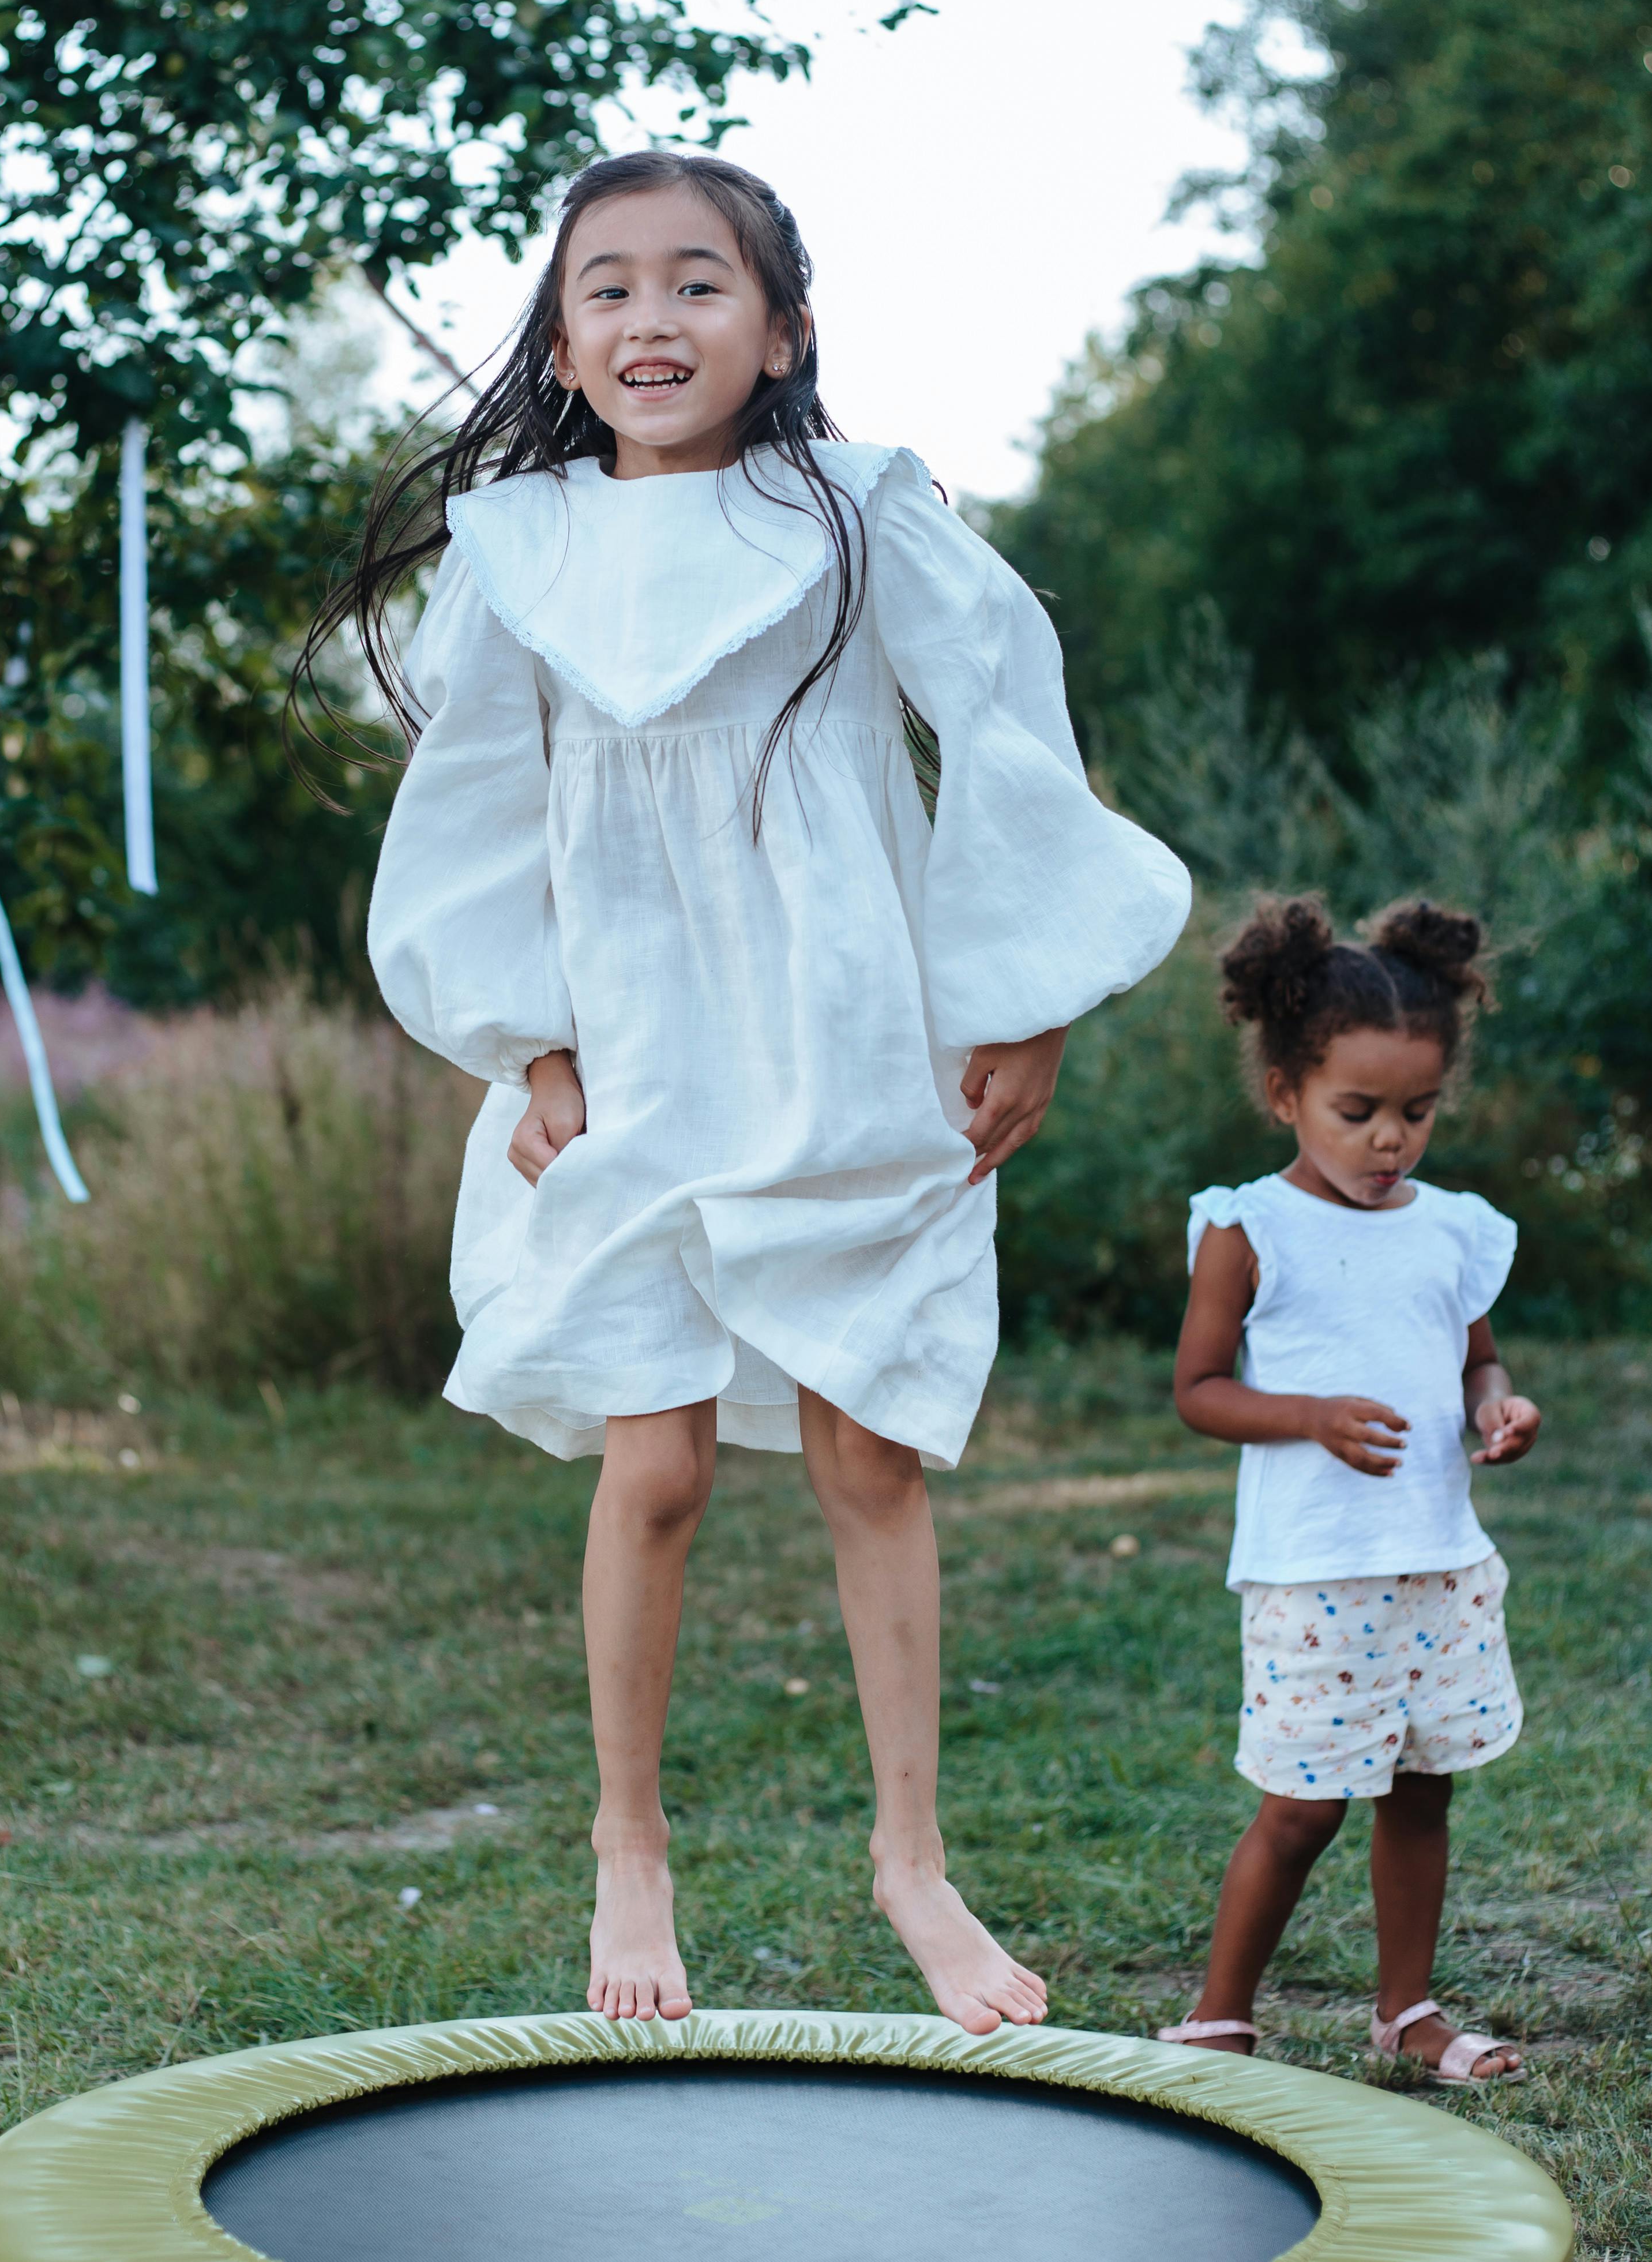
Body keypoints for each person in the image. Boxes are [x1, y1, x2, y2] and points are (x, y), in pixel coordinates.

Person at [301, 151, 1189, 2033]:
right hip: (627, 1054)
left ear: (781, 330)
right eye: (607, 288)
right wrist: (521, 1044)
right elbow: (466, 810)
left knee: (870, 1452)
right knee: (660, 1461)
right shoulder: (520, 550)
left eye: (698, 284)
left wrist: (1021, 1000)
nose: (651, 319)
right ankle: (630, 1843)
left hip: (847, 1041)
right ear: (559, 336)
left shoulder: (860, 519)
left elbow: (1013, 734)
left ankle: (912, 1864)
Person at [1164, 894, 1540, 2084]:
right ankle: (1220, 2014)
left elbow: (1476, 1352)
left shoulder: (1455, 1230)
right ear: (1285, 1092)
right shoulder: (1248, 1228)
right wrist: (1308, 1416)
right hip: (1314, 1571)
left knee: (1421, 1791)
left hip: (1435, 1559)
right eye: (1359, 1110)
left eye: (1418, 1111)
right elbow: (1200, 1388)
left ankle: (1408, 2009)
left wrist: (1497, 1403)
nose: (1393, 1139)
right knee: (1303, 1805)